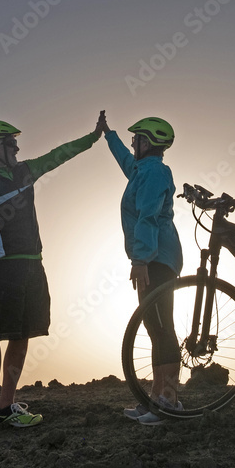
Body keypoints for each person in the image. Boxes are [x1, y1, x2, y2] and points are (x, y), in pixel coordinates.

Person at [0, 117, 104, 436]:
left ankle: (5, 406)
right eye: (10, 142)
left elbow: (59, 154)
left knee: (23, 334)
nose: (16, 146)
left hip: (33, 266)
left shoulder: (25, 171)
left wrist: (92, 137)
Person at [101, 114, 184, 425]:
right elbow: (125, 159)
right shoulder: (141, 169)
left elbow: (148, 215)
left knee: (163, 327)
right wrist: (108, 135)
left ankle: (170, 402)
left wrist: (141, 260)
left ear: (148, 142)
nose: (133, 142)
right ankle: (156, 400)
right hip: (151, 257)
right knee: (154, 328)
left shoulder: (154, 173)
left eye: (136, 138)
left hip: (157, 258)